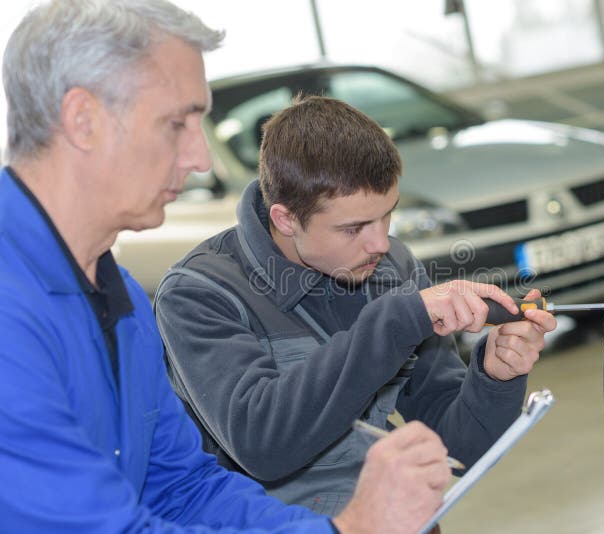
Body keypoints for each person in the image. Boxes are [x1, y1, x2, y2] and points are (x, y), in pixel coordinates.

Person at [0, 1, 454, 532]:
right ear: (84, 120)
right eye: (177, 123)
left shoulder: (115, 294)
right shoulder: (12, 309)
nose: (199, 158)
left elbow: (180, 488)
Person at [154, 95, 558, 513]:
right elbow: (262, 444)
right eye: (353, 228)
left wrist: (494, 377)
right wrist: (397, 322)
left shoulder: (389, 267)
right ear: (285, 219)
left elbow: (459, 448)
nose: (380, 243)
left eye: (387, 216)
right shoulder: (200, 294)